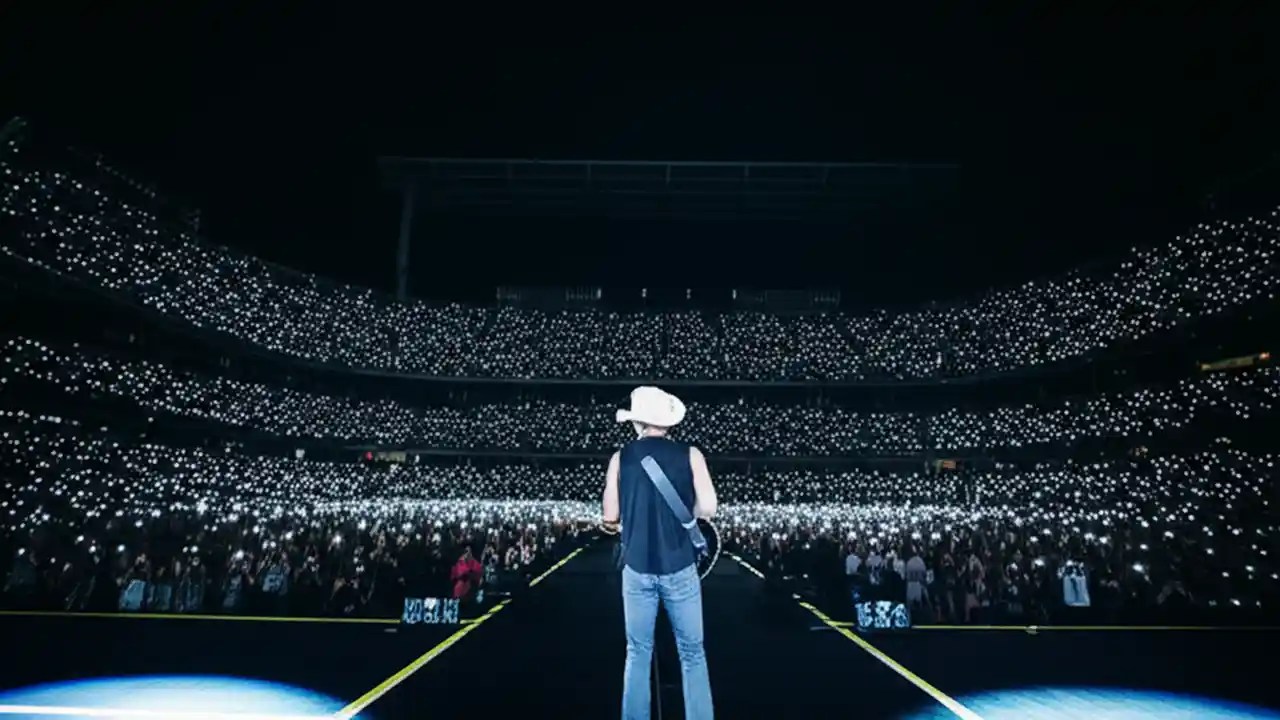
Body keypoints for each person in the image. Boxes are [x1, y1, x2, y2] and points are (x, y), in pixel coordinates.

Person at [603, 386, 717, 720]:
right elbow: (709, 507)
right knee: (692, 652)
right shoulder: (691, 454)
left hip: (637, 568)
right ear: (667, 422)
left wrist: (622, 524)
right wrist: (683, 515)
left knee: (637, 653)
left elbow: (611, 517)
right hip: (680, 566)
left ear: (638, 422)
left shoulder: (620, 458)